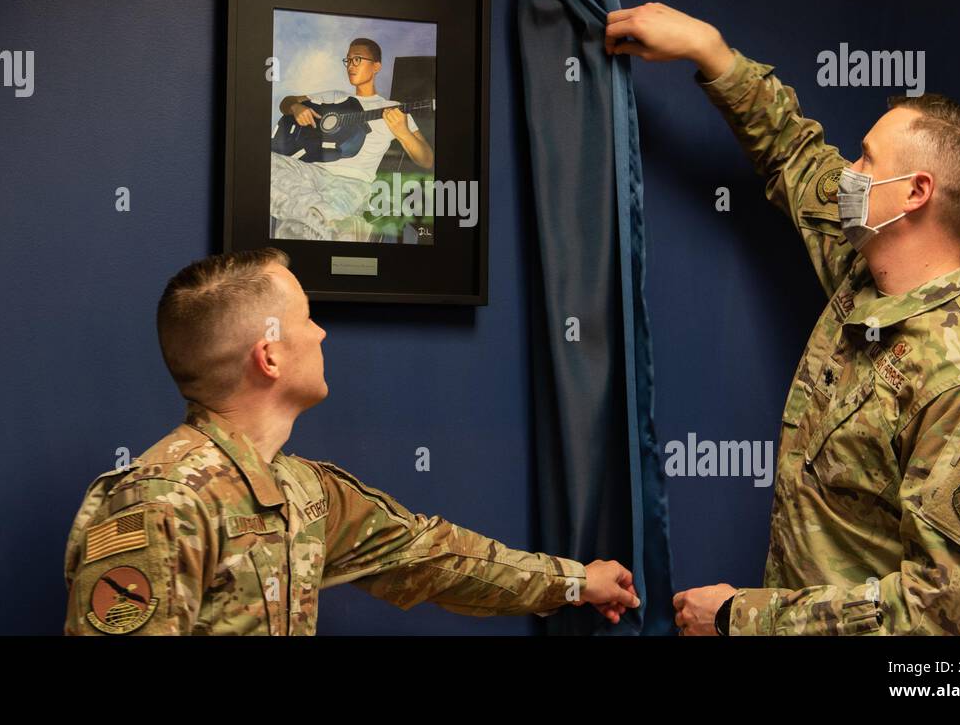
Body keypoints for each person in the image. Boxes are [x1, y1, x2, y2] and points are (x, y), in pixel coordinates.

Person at [605, 2, 960, 635]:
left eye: (867, 160)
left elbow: (938, 616)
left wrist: (741, 618)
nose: (848, 172)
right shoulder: (870, 261)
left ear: (915, 192)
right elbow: (795, 154)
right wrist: (708, 50)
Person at [63, 248, 639, 634]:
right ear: (268, 357)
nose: (322, 332)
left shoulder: (304, 490)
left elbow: (432, 557)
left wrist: (576, 582)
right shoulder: (161, 502)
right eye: (307, 319)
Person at [271, 37, 433, 241]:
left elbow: (427, 159)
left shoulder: (395, 109)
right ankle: (338, 224)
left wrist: (403, 132)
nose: (350, 66)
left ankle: (326, 222)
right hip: (308, 173)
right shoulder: (334, 96)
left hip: (351, 183)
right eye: (348, 60)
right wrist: (296, 107)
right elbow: (287, 102)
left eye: (357, 59)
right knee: (261, 163)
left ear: (376, 66)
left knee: (292, 231)